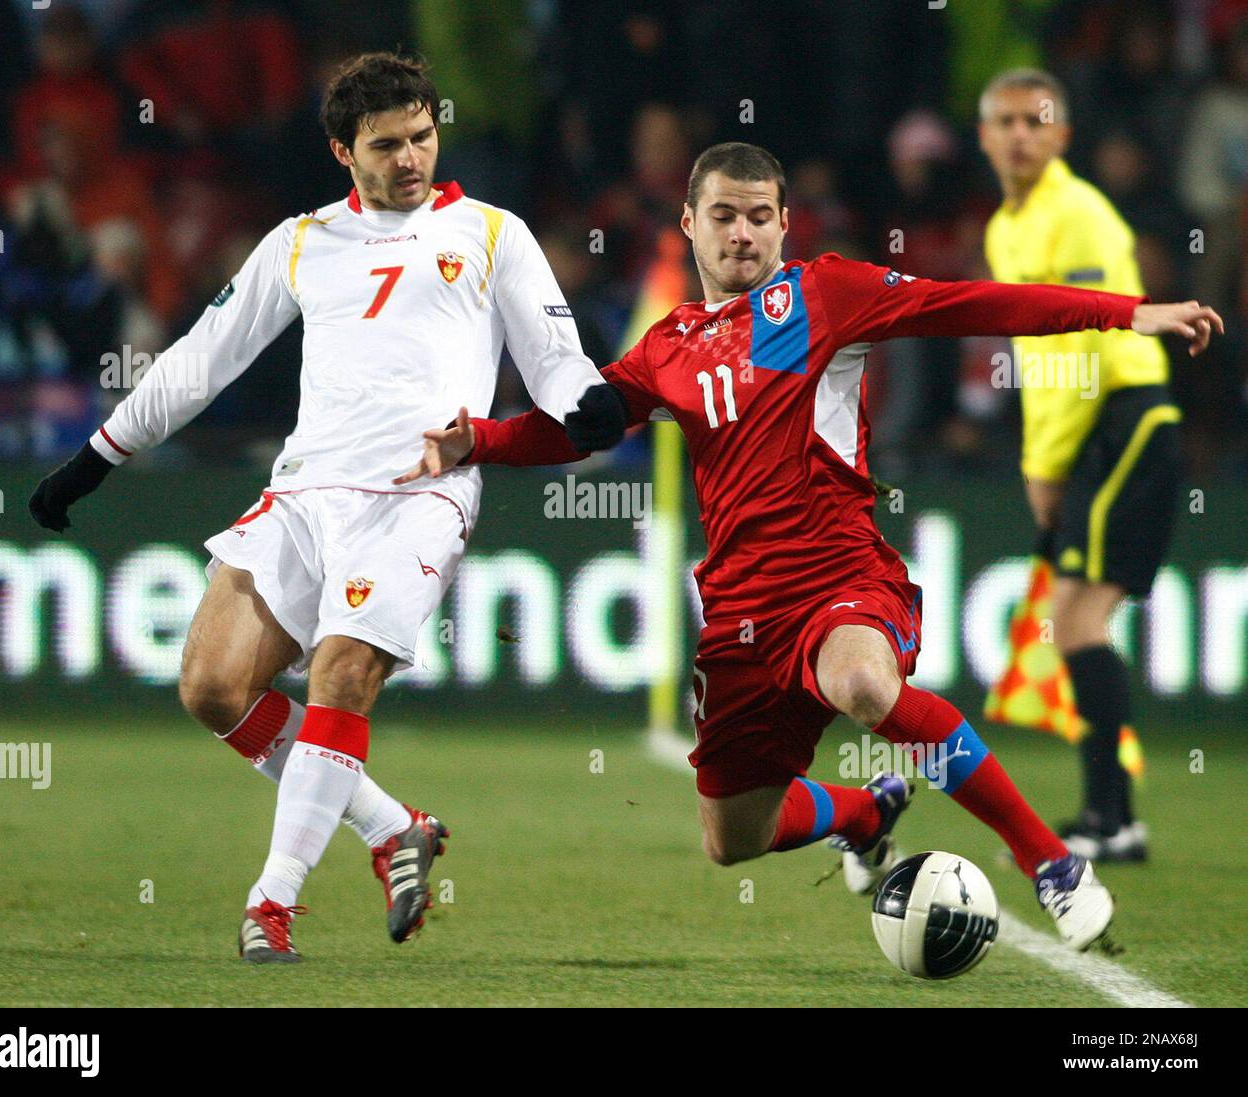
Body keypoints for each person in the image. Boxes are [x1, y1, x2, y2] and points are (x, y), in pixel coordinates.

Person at [399, 142, 1221, 951]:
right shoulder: (669, 347)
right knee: (733, 837)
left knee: (865, 683)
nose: (742, 234)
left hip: (840, 576)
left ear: (786, 224)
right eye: (724, 216)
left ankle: (1055, 867)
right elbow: (578, 427)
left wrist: (1126, 313)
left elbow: (974, 304)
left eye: (760, 217)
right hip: (741, 618)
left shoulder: (827, 295)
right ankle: (864, 812)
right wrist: (482, 441)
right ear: (689, 223)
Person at [26, 52, 617, 963]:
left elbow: (553, 359)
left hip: (419, 492)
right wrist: (98, 455)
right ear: (343, 149)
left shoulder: (494, 232)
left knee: (339, 675)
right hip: (304, 489)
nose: (410, 158)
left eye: (421, 136)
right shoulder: (301, 241)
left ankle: (271, 904)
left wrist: (587, 399)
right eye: (386, 146)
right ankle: (394, 827)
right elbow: (201, 358)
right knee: (212, 686)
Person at [979, 69, 1185, 861]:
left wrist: (1044, 465)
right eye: (1006, 121)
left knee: (1077, 621)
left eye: (1037, 121)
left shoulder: (1081, 213)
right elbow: (1036, 355)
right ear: (986, 136)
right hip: (1088, 432)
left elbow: (1092, 346)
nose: (1021, 134)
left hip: (1123, 419)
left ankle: (1114, 818)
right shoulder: (1006, 228)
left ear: (1062, 135)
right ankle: (1109, 815)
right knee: (1073, 623)